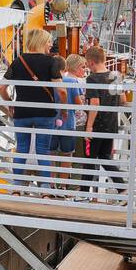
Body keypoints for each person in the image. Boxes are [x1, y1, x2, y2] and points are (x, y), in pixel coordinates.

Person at [0, 28, 66, 190]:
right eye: (49, 41)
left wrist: (10, 103)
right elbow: (62, 90)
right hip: (45, 113)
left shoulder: (18, 61)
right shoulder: (52, 62)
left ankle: (17, 186)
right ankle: (45, 187)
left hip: (22, 112)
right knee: (42, 150)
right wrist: (63, 108)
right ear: (42, 42)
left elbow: (1, 88)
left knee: (22, 149)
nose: (51, 44)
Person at [83, 46, 126, 195]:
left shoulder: (92, 78)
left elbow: (94, 103)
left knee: (89, 159)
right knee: (105, 157)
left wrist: (89, 127)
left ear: (91, 62)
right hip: (111, 123)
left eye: (87, 63)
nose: (87, 66)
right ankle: (122, 187)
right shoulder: (115, 76)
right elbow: (122, 99)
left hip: (97, 124)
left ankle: (83, 193)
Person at [53, 54, 86, 190]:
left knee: (51, 154)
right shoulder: (72, 82)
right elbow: (79, 103)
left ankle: (51, 185)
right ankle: (62, 186)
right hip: (68, 124)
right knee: (67, 155)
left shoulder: (52, 81)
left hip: (52, 123)